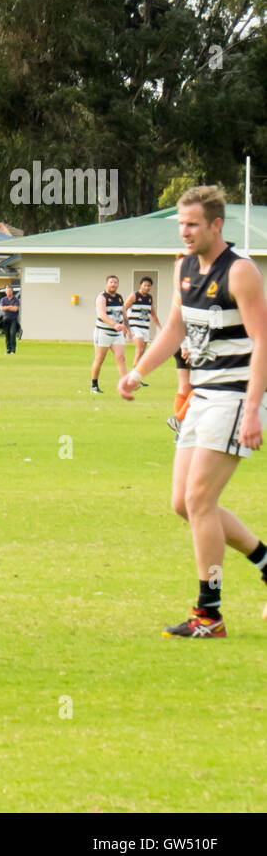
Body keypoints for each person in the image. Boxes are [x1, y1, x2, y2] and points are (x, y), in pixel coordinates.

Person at [119, 186, 267, 637]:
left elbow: (263, 341)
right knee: (183, 503)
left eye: (192, 225)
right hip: (202, 396)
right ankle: (265, 562)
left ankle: (209, 614)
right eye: (181, 224)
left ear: (216, 225)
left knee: (200, 499)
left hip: (235, 396)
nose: (184, 232)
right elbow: (175, 329)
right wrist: (138, 372)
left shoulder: (240, 272)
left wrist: (253, 410)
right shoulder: (183, 267)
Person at [90, 275, 129, 393]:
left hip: (117, 334)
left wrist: (126, 327)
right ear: (106, 284)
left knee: (121, 358)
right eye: (111, 282)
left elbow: (123, 314)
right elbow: (102, 315)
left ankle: (125, 385)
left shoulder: (119, 297)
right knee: (99, 359)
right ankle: (94, 386)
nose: (113, 284)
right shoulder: (102, 298)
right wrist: (114, 324)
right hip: (103, 332)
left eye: (116, 282)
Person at [123, 276, 160, 375]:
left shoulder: (149, 298)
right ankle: (133, 375)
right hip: (134, 326)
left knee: (142, 351)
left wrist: (161, 328)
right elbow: (123, 309)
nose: (147, 287)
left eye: (149, 286)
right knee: (139, 350)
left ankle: (136, 374)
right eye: (145, 285)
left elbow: (153, 315)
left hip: (145, 327)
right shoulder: (134, 296)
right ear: (141, 285)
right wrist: (126, 327)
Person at [0, 284, 20, 355]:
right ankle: (8, 349)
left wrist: (7, 307)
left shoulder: (16, 300)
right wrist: (10, 307)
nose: (8, 292)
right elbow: (2, 308)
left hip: (13, 319)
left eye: (10, 291)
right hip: (6, 319)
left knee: (12, 334)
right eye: (7, 291)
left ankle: (13, 350)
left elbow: (15, 309)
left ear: (12, 291)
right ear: (5, 292)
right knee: (7, 335)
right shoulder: (3, 299)